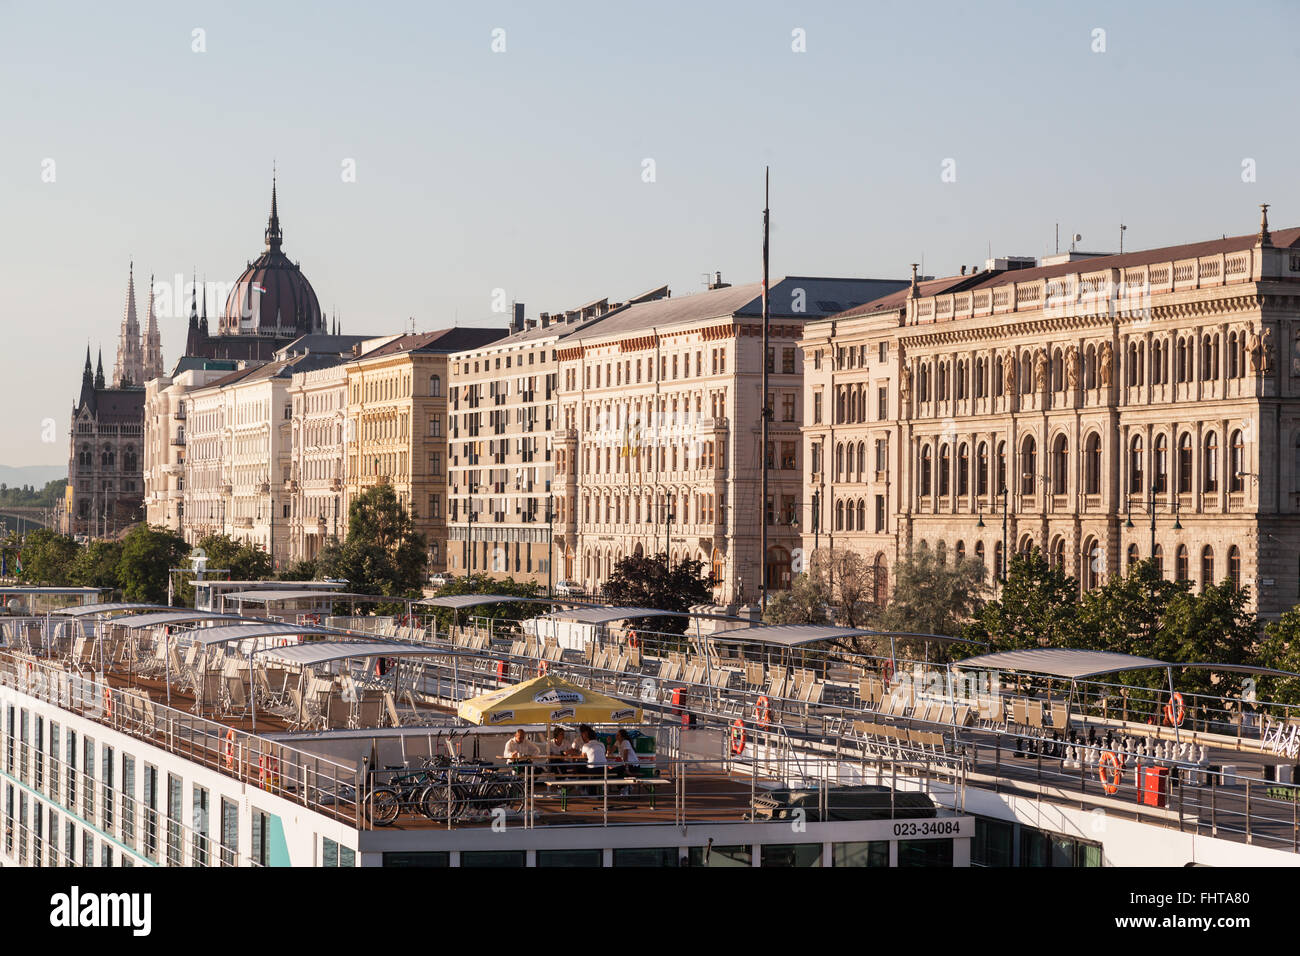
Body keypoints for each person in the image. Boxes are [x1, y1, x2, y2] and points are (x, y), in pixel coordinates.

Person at [612, 729, 640, 795]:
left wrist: (627, 769)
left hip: (633, 765)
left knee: (613, 772)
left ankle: (625, 787)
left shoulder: (625, 742)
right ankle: (625, 787)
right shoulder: (618, 742)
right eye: (616, 735)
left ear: (622, 736)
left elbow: (625, 756)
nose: (616, 736)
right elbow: (611, 751)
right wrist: (609, 743)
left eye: (618, 735)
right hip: (627, 764)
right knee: (614, 772)